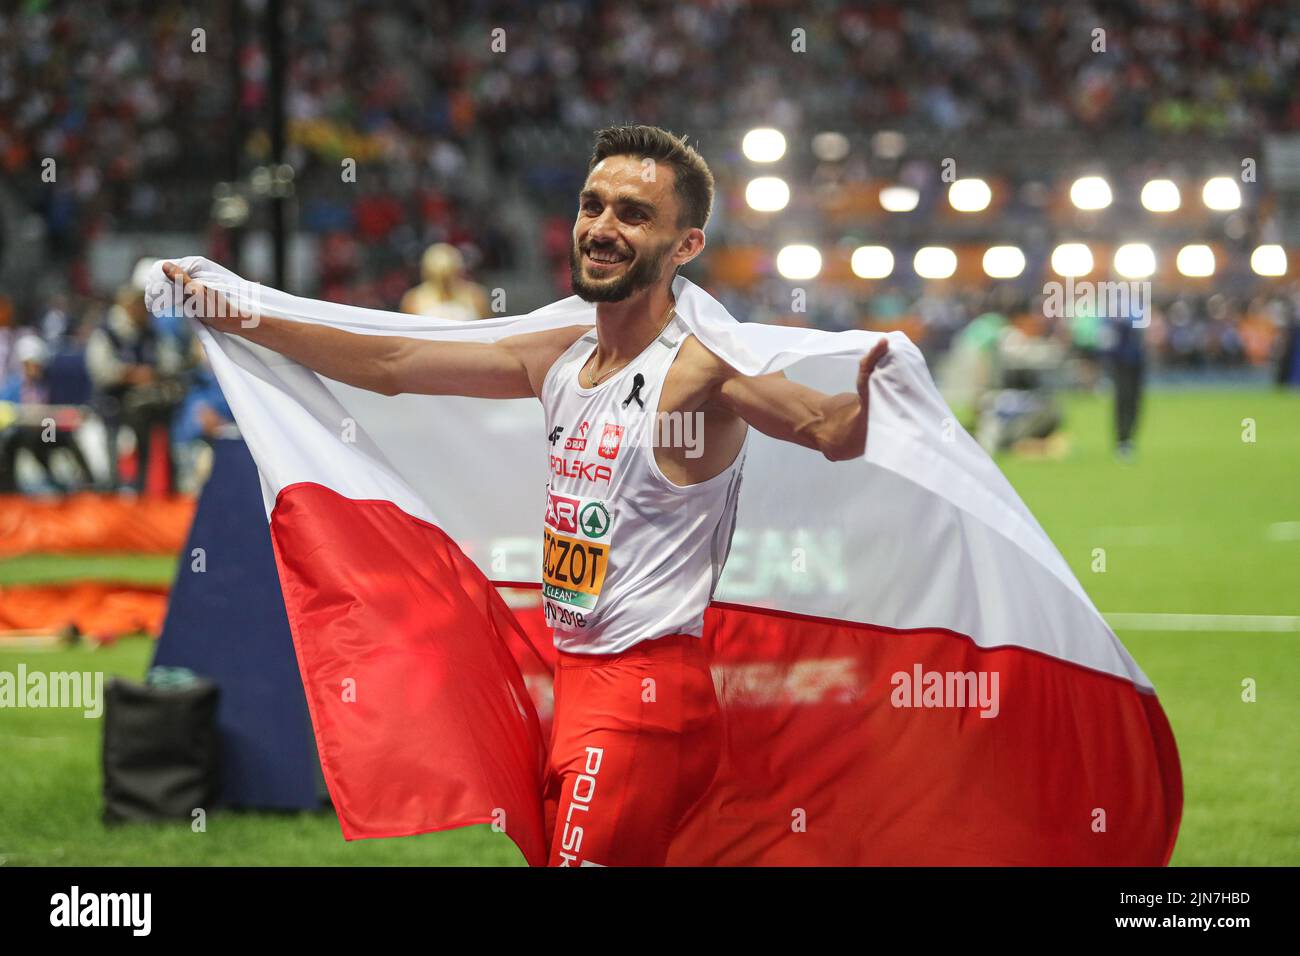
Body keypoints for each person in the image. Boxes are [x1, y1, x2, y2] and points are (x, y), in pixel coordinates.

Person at [162, 123, 889, 867]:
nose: (603, 228)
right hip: (576, 683)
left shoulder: (702, 369)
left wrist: (855, 413)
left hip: (643, 697)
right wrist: (238, 313)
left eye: (634, 215)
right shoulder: (562, 352)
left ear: (686, 247)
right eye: (593, 205)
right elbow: (392, 359)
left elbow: (814, 419)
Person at [399, 242, 490, 320]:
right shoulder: (413, 300)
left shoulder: (475, 296)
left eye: (447, 274)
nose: (444, 281)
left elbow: (487, 329)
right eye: (440, 275)